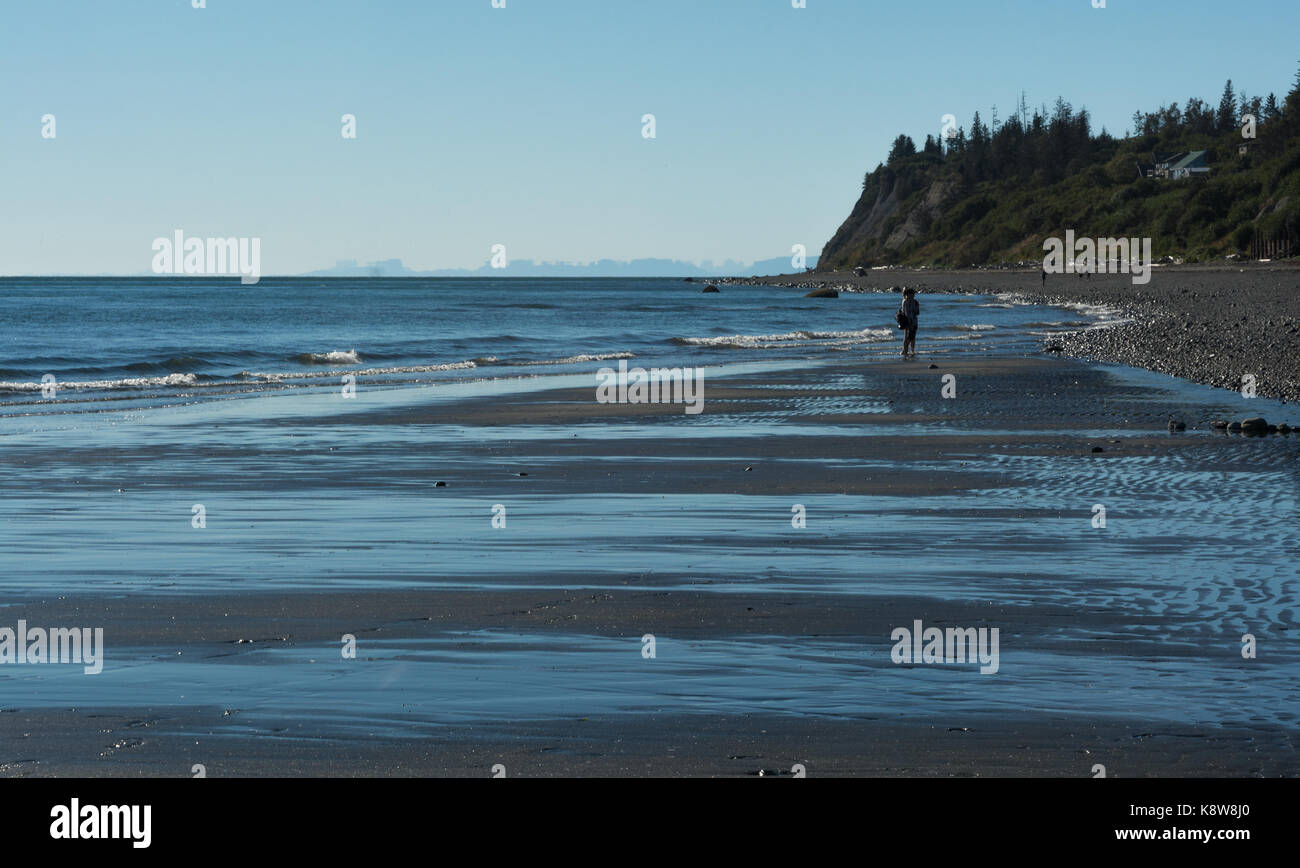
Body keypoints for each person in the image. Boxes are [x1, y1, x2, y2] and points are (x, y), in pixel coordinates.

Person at [899, 288, 919, 357]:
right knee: (908, 337)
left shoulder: (915, 301)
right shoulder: (905, 301)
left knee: (912, 337)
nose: (913, 296)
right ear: (908, 294)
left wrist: (916, 307)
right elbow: (906, 313)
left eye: (913, 294)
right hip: (908, 321)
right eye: (912, 294)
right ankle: (905, 351)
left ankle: (912, 351)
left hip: (914, 320)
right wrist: (909, 322)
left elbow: (917, 312)